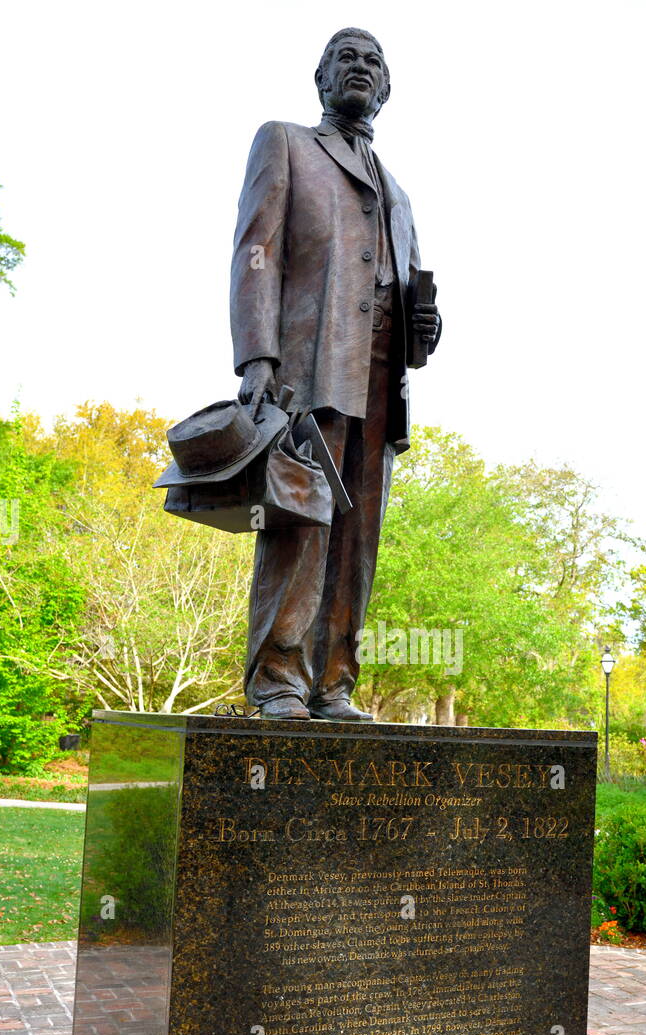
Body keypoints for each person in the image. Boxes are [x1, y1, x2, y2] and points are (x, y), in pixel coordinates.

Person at [231, 27, 441, 721]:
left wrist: (426, 331)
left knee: (359, 539)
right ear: (322, 79)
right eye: (345, 58)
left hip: (382, 381)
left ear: (386, 89)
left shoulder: (401, 193)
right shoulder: (286, 143)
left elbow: (403, 286)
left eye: (373, 62)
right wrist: (259, 357)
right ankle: (278, 679)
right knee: (301, 520)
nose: (360, 68)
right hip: (309, 365)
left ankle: (334, 684)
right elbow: (255, 251)